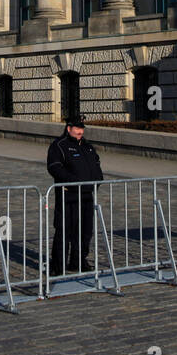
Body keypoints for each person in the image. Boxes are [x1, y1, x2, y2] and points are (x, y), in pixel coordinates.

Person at [46, 116, 104, 274]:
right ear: (68, 128)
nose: (80, 132)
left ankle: (78, 261)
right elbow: (55, 167)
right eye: (77, 128)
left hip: (86, 196)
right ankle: (58, 266)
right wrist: (74, 182)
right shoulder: (59, 145)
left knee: (85, 231)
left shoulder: (87, 147)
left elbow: (96, 166)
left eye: (82, 129)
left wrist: (97, 181)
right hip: (68, 195)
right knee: (64, 230)